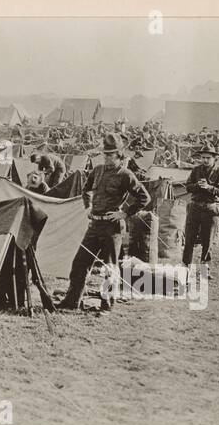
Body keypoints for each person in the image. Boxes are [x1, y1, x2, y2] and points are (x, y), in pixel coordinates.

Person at [59, 133, 151, 311]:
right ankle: (71, 302)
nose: (107, 157)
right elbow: (86, 189)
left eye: (111, 154)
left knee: (110, 268)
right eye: (105, 154)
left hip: (112, 228)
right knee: (79, 263)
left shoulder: (125, 175)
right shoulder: (98, 170)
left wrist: (124, 213)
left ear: (119, 155)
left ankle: (106, 306)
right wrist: (88, 206)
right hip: (94, 225)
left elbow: (144, 197)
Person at [181, 146, 219, 267]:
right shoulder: (195, 170)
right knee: (189, 239)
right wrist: (197, 186)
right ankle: (186, 267)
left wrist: (209, 187)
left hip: (210, 208)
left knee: (208, 240)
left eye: (208, 158)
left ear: (214, 158)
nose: (205, 160)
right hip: (194, 207)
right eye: (203, 158)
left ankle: (204, 268)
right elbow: (188, 187)